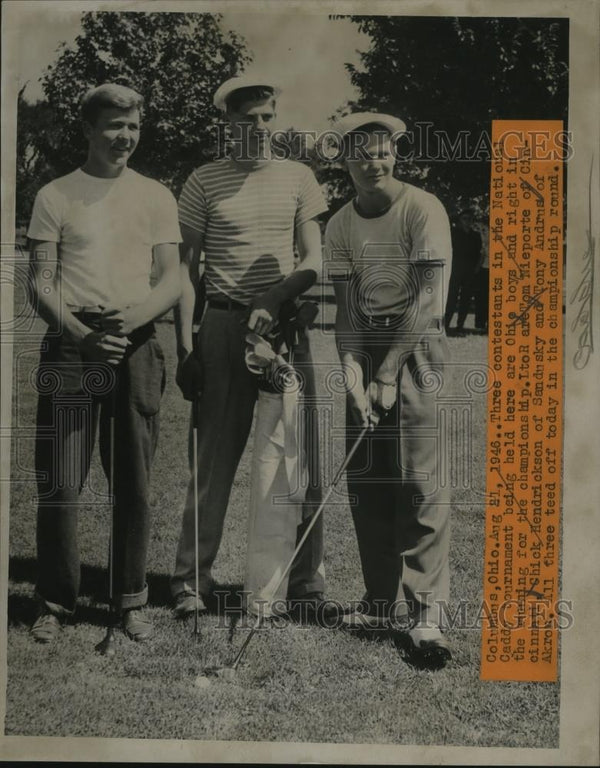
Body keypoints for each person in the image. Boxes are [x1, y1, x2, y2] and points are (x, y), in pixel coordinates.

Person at [171, 74, 331, 622]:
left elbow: (314, 260)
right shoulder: (203, 180)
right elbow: (185, 271)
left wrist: (275, 294)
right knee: (213, 460)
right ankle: (192, 579)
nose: (260, 128)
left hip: (284, 330)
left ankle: (305, 583)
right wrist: (187, 345)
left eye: (267, 117)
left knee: (297, 458)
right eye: (248, 119)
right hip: (220, 328)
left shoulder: (300, 177)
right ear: (228, 123)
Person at [27, 83, 182, 644]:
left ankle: (128, 601)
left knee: (134, 483)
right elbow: (40, 285)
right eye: (115, 126)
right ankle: (54, 601)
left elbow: (173, 280)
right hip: (72, 347)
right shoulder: (55, 195)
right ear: (88, 130)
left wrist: (132, 319)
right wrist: (84, 334)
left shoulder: (157, 196)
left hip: (135, 342)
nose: (125, 137)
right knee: (62, 482)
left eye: (134, 126)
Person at [325, 113, 453, 668]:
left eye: (382, 152)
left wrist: (387, 373)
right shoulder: (339, 225)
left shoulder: (422, 209)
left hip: (417, 345)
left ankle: (426, 616)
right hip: (368, 346)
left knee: (418, 482)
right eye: (360, 154)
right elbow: (348, 314)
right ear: (344, 160)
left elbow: (426, 304)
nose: (372, 163)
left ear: (395, 154)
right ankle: (379, 604)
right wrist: (355, 377)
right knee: (369, 476)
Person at [444, 209, 482, 334]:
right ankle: (446, 325)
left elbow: (479, 254)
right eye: (465, 219)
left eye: (470, 219)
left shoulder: (476, 236)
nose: (468, 221)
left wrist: (476, 268)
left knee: (465, 299)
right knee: (451, 298)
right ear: (460, 220)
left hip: (470, 272)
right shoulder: (453, 233)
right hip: (455, 270)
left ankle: (460, 326)